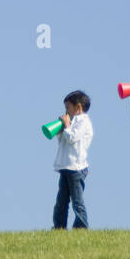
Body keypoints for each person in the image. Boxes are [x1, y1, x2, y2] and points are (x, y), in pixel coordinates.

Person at [52, 90, 94, 230]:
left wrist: (67, 126)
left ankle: (81, 226)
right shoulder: (72, 122)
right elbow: (64, 141)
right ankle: (59, 226)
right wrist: (60, 132)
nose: (66, 111)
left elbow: (72, 137)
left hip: (76, 167)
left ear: (78, 107)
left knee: (77, 200)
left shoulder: (84, 122)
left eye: (68, 107)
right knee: (61, 201)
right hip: (66, 166)